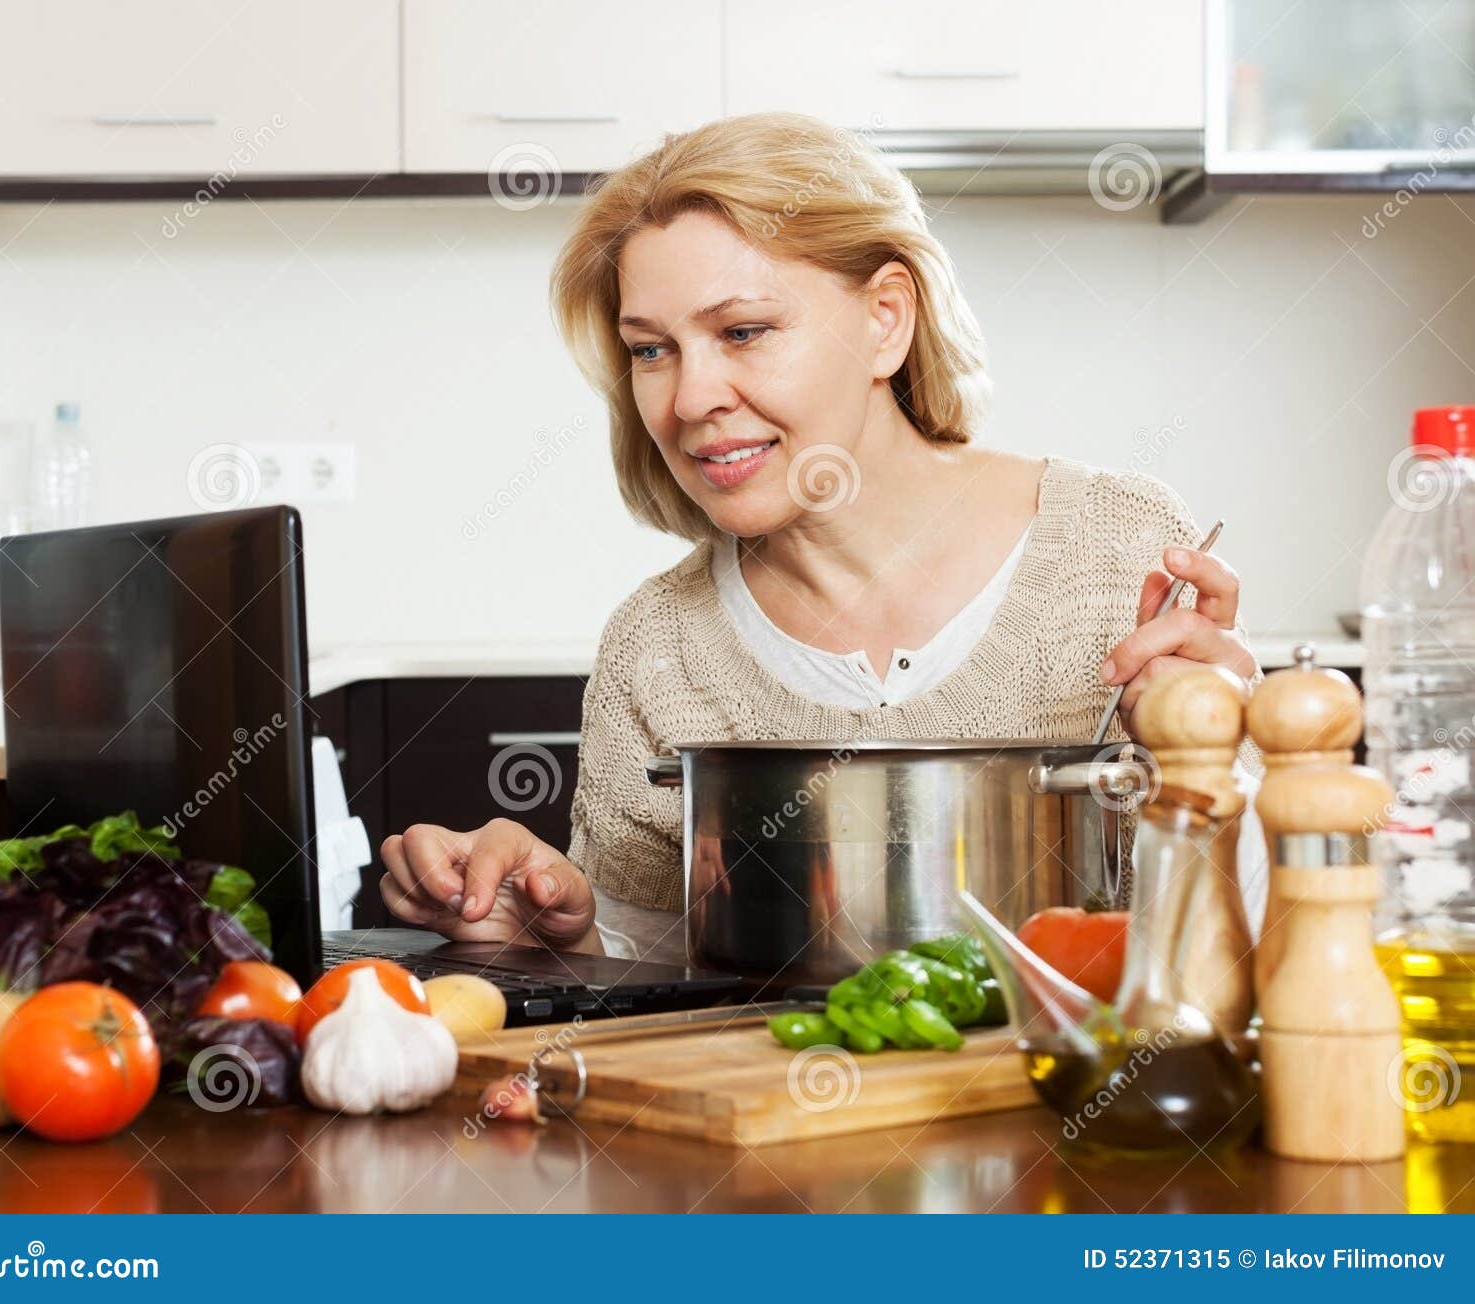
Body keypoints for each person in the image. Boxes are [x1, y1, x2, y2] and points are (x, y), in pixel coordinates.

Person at [380, 113, 1258, 962]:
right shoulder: (657, 650)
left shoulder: (1123, 551)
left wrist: (1229, 761)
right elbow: (651, 968)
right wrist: (555, 936)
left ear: (885, 319)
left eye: (743, 332)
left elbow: (1254, 928)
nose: (690, 401)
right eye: (652, 350)